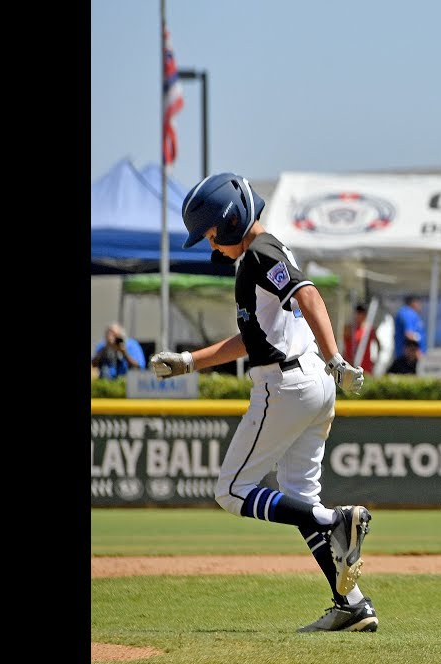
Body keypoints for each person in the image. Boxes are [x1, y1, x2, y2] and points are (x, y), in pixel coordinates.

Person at [147, 172, 377, 633]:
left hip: (286, 385)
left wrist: (336, 355)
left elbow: (309, 295)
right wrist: (190, 361)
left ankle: (335, 521)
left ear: (231, 221)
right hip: (309, 382)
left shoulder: (260, 252)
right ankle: (351, 604)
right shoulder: (261, 253)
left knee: (230, 491)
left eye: (212, 235)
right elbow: (253, 337)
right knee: (297, 498)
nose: (212, 247)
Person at [343, 303, 377, 374]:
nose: (359, 316)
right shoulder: (349, 329)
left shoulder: (369, 329)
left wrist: (375, 360)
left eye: (361, 313)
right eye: (358, 313)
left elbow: (377, 344)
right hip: (351, 366)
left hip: (366, 366)